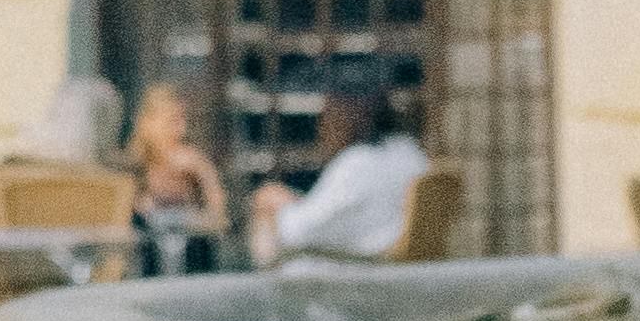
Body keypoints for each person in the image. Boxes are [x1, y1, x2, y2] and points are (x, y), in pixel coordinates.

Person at [246, 80, 431, 265]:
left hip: (356, 272)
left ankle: (262, 285)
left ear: (347, 116)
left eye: (328, 114)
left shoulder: (358, 162)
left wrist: (272, 205)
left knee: (268, 199)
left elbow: (299, 232)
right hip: (395, 265)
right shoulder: (409, 152)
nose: (322, 126)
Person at [124, 76, 229, 271]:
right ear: (148, 123)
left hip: (191, 261)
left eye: (182, 120)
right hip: (147, 265)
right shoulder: (134, 167)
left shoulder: (193, 165)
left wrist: (204, 173)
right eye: (171, 122)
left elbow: (218, 214)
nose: (181, 130)